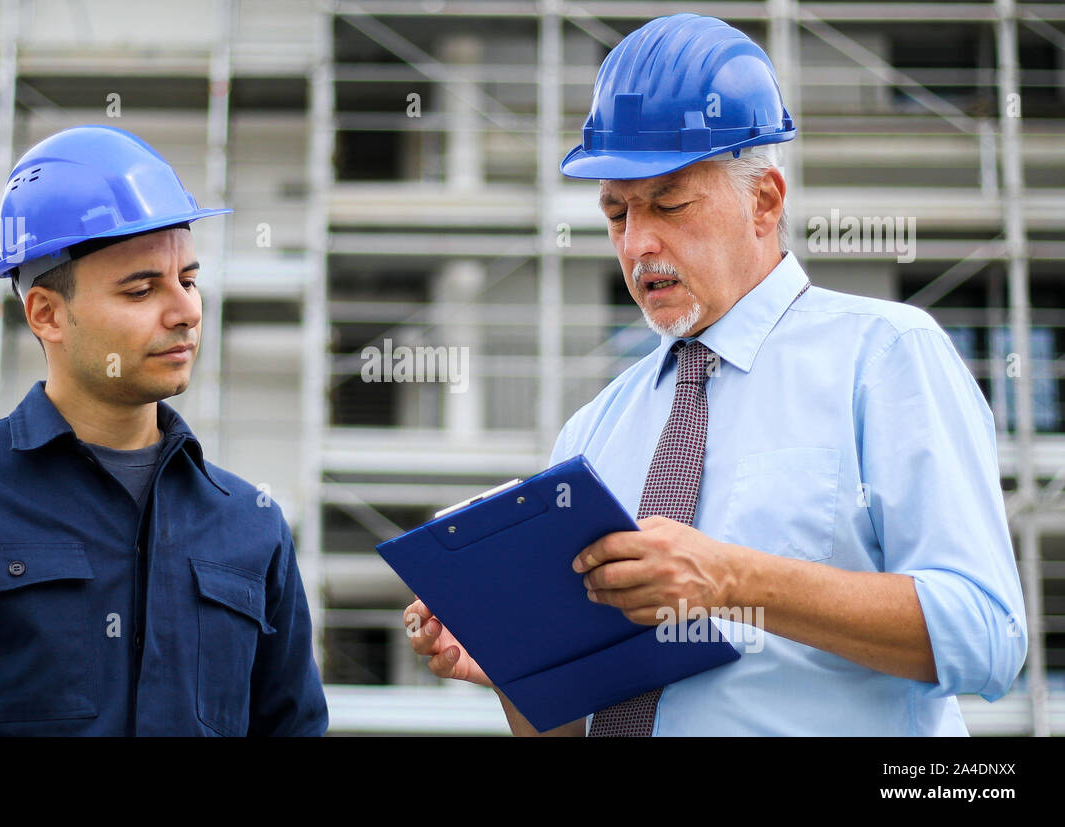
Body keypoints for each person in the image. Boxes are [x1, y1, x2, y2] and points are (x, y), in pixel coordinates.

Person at [405, 13, 1027, 735]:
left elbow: (987, 635)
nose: (638, 243)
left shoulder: (886, 356)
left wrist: (731, 578)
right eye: (616, 213)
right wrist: (516, 663)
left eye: (668, 204)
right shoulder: (595, 429)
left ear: (764, 200)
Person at [0, 125, 328, 736]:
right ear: (47, 314)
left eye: (188, 281)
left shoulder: (252, 525)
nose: (186, 310)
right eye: (142, 289)